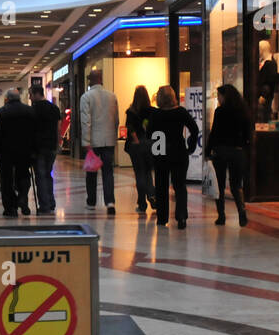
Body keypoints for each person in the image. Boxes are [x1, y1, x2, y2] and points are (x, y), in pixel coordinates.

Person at [147, 85, 199, 229]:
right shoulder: (181, 112)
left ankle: (162, 218)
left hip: (161, 151)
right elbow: (194, 129)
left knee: (161, 186)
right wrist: (192, 145)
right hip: (179, 151)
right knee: (180, 186)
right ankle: (181, 217)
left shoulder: (155, 114)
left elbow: (149, 134)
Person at [207, 83, 252, 226]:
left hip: (221, 151)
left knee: (219, 185)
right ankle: (242, 211)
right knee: (236, 185)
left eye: (219, 95)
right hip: (237, 152)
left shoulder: (220, 112)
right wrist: (244, 147)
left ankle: (221, 216)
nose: (218, 98)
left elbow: (214, 133)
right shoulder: (243, 111)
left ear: (224, 96)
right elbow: (248, 134)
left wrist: (208, 151)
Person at [0, 89, 36, 217]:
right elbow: (35, 132)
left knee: (6, 179)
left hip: (6, 151)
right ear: (19, 98)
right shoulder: (30, 111)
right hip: (25, 150)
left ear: (7, 99)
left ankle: (10, 208)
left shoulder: (1, 113)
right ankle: (23, 199)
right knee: (24, 175)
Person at [79, 68, 119, 214]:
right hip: (108, 140)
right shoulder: (112, 96)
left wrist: (86, 141)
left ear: (90, 80)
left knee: (91, 172)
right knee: (108, 172)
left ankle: (91, 201)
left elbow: (86, 121)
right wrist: (114, 136)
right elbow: (116, 119)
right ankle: (110, 202)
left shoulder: (86, 97)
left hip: (93, 141)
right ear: (101, 79)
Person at [29, 84, 61, 215]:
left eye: (31, 94)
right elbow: (58, 128)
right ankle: (51, 202)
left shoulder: (33, 109)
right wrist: (57, 143)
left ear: (37, 94)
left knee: (40, 176)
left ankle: (45, 205)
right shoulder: (54, 108)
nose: (30, 97)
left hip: (39, 147)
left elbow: (31, 131)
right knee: (48, 174)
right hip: (52, 146)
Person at [123, 85, 156, 213]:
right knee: (147, 172)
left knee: (139, 173)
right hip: (149, 144)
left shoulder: (131, 112)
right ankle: (152, 196)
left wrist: (136, 141)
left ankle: (142, 203)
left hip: (135, 146)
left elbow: (130, 129)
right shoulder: (152, 111)